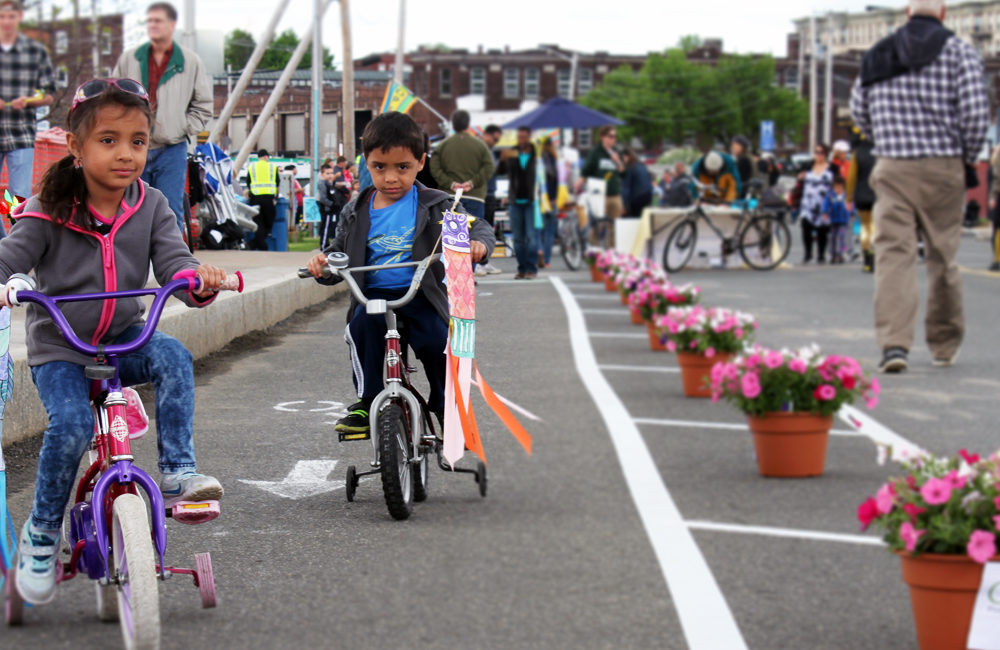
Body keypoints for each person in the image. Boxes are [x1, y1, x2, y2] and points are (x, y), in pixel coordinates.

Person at [0, 79, 227, 605]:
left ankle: (177, 472)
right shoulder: (47, 206)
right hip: (61, 347)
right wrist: (8, 284)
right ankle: (40, 531)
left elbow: (175, 265)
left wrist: (198, 280)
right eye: (108, 140)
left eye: (139, 141)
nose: (126, 153)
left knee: (172, 355)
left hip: (125, 339)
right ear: (76, 148)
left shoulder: (152, 205)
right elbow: (8, 258)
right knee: (73, 425)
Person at [305, 112, 494, 436]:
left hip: (421, 294)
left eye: (402, 167)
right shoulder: (356, 210)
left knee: (438, 340)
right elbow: (340, 256)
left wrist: (477, 244)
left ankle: (444, 400)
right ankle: (367, 401)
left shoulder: (437, 205)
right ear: (367, 162)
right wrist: (324, 266)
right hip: (374, 297)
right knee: (361, 328)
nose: (391, 178)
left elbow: (481, 230)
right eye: (380, 167)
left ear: (421, 162)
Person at [850, 0, 988, 373]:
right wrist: (967, 155)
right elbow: (975, 114)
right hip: (944, 166)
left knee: (895, 255)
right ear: (943, 13)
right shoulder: (960, 52)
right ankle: (943, 345)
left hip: (893, 166)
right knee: (943, 256)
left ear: (907, 13)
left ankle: (894, 345)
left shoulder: (879, 53)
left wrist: (887, 137)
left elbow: (858, 111)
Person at [113, 1, 213, 235]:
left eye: (158, 21)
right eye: (149, 21)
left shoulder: (190, 62)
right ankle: (130, 269)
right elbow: (112, 99)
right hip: (133, 147)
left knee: (169, 212)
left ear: (171, 25)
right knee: (129, 210)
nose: (153, 26)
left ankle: (173, 270)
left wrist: (182, 127)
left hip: (171, 148)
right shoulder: (130, 59)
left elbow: (204, 105)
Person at [0, 0, 54, 210]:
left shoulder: (35, 51)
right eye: (2, 17)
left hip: (21, 132)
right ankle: (4, 242)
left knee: (18, 197)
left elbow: (49, 94)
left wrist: (30, 101)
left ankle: (18, 240)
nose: (6, 21)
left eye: (11, 17)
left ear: (19, 17)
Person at [429, 109, 495, 221]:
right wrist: (472, 183)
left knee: (451, 236)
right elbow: (489, 167)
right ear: (468, 124)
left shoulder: (442, 146)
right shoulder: (481, 146)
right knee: (474, 235)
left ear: (453, 125)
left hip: (449, 197)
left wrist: (451, 184)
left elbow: (434, 168)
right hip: (475, 196)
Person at [496, 126, 539, 279]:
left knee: (531, 237)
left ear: (529, 137)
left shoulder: (536, 154)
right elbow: (500, 172)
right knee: (518, 238)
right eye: (519, 137)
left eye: (524, 137)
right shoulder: (512, 152)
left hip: (532, 201)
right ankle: (522, 268)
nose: (522, 140)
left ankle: (531, 269)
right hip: (515, 201)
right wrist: (501, 161)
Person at [577, 125, 625, 247]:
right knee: (598, 225)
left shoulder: (617, 152)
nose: (613, 139)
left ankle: (611, 253)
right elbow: (586, 170)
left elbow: (623, 172)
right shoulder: (595, 153)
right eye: (610, 136)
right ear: (603, 137)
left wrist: (617, 161)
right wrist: (580, 181)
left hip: (614, 194)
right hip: (599, 195)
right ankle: (595, 252)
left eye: (615, 137)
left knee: (614, 226)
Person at [797, 143, 835, 264]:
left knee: (822, 230)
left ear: (826, 155)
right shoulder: (808, 166)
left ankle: (821, 255)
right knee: (806, 227)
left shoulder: (832, 167)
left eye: (821, 153)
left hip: (824, 203)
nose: (818, 155)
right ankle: (808, 254)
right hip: (808, 202)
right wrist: (800, 177)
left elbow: (838, 183)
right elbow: (799, 180)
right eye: (816, 152)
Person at [847, 127, 877, 273]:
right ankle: (875, 256)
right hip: (877, 194)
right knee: (875, 226)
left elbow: (851, 177)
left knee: (865, 226)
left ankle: (866, 260)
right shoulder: (879, 151)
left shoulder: (857, 153)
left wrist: (848, 197)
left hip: (861, 195)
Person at [477, 124, 504, 276]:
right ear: (487, 135)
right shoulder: (481, 148)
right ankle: (480, 264)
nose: (496, 142)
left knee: (488, 229)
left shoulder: (490, 150)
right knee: (482, 228)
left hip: (490, 192)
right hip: (483, 194)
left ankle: (484, 262)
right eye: (495, 138)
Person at [246, 148, 278, 250]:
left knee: (258, 223)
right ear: (266, 156)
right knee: (269, 222)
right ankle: (260, 245)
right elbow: (277, 183)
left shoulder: (252, 167)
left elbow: (248, 182)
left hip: (255, 199)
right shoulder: (272, 167)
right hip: (268, 199)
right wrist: (276, 198)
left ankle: (254, 243)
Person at [538, 137, 559, 268]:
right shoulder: (555, 160)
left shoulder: (538, 159)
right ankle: (547, 260)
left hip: (540, 199)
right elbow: (556, 179)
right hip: (553, 199)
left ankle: (539, 252)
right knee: (550, 231)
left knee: (539, 229)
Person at [823, 177, 851, 264]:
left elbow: (850, 205)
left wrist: (852, 212)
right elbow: (826, 204)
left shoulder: (846, 195)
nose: (838, 189)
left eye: (840, 187)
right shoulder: (830, 195)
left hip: (843, 219)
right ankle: (833, 254)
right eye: (836, 187)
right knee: (833, 237)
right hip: (833, 219)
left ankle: (841, 254)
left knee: (842, 236)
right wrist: (825, 212)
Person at [621, 149, 653, 217]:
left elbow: (626, 188)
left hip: (637, 197)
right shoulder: (642, 165)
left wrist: (625, 205)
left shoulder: (629, 167)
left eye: (622, 157)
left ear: (628, 157)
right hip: (648, 196)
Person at [315, 163, 339, 249]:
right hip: (326, 209)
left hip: (330, 208)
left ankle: (326, 243)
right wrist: (331, 204)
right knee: (325, 227)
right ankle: (324, 244)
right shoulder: (322, 183)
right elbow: (323, 198)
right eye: (327, 173)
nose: (330, 175)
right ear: (322, 174)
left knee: (329, 226)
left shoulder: (329, 183)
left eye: (331, 173)